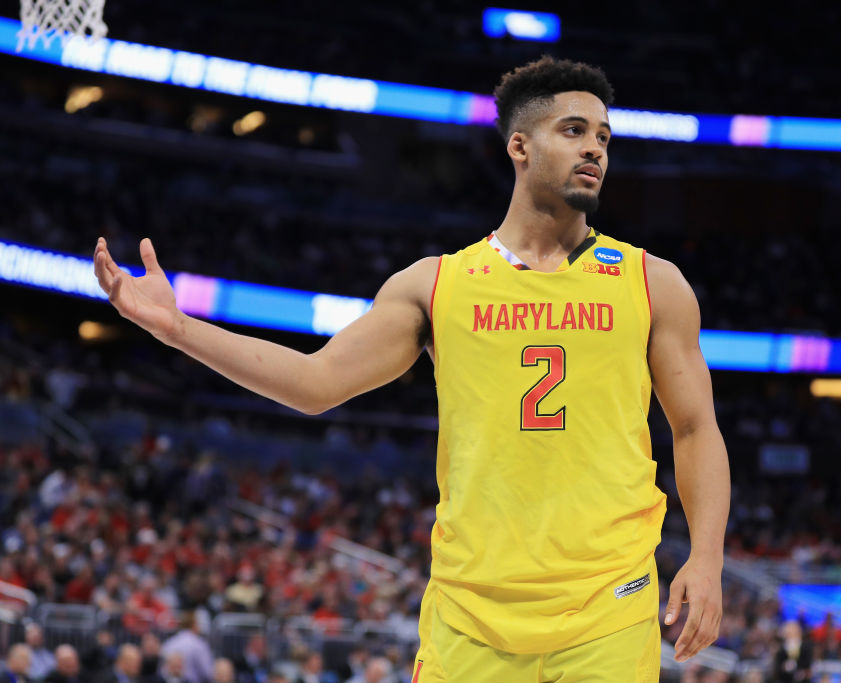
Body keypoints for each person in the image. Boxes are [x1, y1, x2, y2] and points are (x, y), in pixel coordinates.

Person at [93, 55, 730, 682]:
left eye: (603, 137)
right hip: (470, 612)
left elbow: (696, 428)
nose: (594, 148)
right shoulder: (437, 284)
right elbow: (315, 383)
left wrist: (706, 557)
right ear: (519, 146)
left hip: (608, 608)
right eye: (573, 130)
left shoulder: (652, 283)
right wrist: (178, 330)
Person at [159, 612, 214, 683]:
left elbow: (162, 671)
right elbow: (208, 673)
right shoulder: (199, 644)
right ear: (194, 625)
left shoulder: (169, 643)